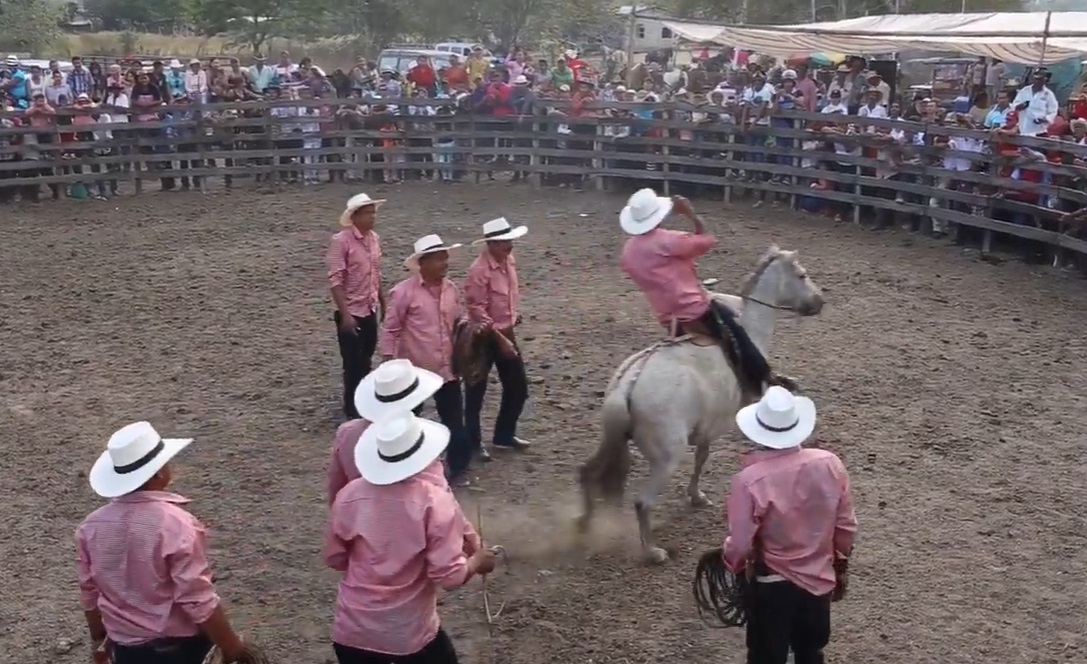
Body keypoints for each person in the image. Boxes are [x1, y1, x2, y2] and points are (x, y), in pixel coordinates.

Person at [325, 411, 499, 664]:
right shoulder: (434, 501)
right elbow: (449, 577)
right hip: (407, 636)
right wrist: (477, 561)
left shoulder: (350, 494)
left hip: (351, 631)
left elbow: (335, 558)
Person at [76, 422, 249, 664]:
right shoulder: (177, 525)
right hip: (178, 647)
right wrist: (233, 647)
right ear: (159, 473)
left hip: (125, 647)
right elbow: (197, 599)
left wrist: (98, 640)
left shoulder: (90, 527)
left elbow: (89, 592)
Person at [722, 387, 857, 664]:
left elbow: (740, 544)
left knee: (766, 657)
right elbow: (845, 527)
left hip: (772, 586)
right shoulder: (830, 463)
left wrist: (732, 564)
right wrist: (839, 564)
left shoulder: (749, 481)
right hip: (818, 582)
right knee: (811, 651)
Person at [618, 189, 795, 398]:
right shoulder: (669, 240)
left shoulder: (627, 252)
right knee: (738, 334)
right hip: (694, 309)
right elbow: (707, 240)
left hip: (667, 316)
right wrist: (690, 214)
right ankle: (764, 378)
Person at [380, 234, 475, 486]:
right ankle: (406, 467)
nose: (445, 264)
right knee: (408, 422)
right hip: (414, 373)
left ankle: (457, 467)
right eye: (439, 259)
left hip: (447, 370)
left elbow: (457, 321)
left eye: (445, 258)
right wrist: (389, 362)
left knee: (454, 420)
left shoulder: (451, 290)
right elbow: (390, 329)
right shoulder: (402, 293)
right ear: (423, 263)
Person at [463, 217, 531, 455]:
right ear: (490, 244)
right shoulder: (479, 271)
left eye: (510, 240)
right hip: (483, 336)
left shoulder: (508, 261)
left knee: (518, 387)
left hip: (504, 329)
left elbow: (506, 295)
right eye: (504, 241)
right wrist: (501, 338)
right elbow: (476, 309)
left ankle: (503, 434)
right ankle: (473, 442)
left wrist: (513, 316)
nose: (509, 245)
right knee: (475, 392)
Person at [327, 193, 387, 420]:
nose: (372, 217)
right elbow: (335, 280)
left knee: (366, 359)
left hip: (369, 307)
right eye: (368, 213)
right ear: (355, 216)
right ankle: (352, 409)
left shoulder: (374, 239)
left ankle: (362, 404)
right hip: (351, 310)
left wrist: (382, 301)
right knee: (353, 364)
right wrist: (345, 314)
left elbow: (375, 273)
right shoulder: (341, 241)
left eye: (373, 212)